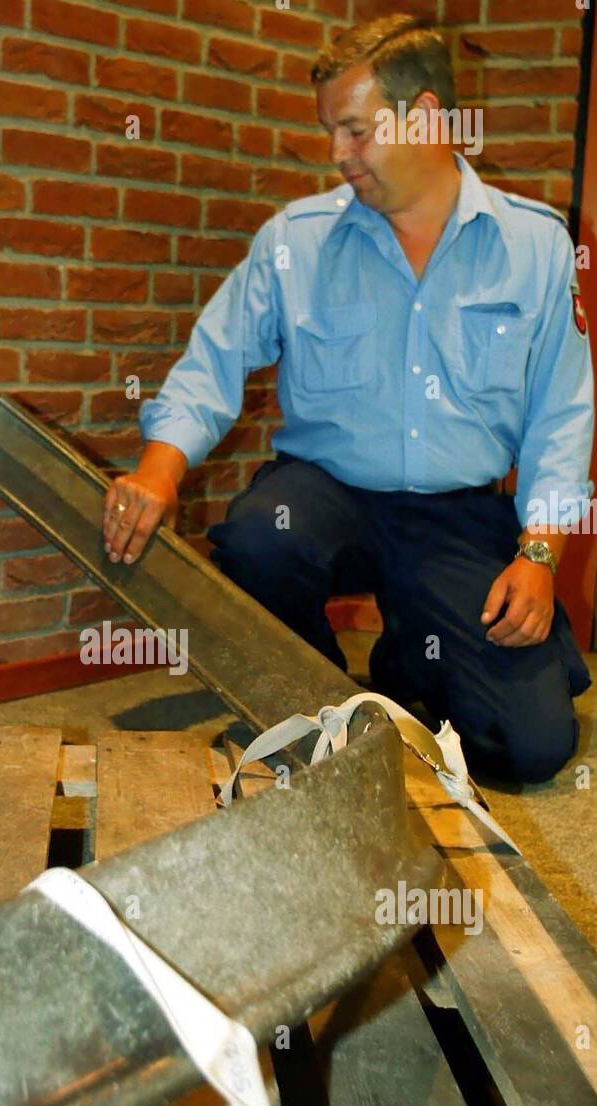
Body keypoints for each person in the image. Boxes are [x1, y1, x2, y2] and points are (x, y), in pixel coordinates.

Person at [101, 13, 594, 784]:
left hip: (453, 513)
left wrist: (537, 553)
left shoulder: (533, 246)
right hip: (326, 496)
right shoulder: (295, 239)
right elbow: (214, 360)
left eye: (355, 131)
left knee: (528, 749)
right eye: (330, 131)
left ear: (426, 117)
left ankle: (412, 658)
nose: (337, 154)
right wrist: (158, 470)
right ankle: (322, 701)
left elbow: (560, 419)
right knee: (261, 537)